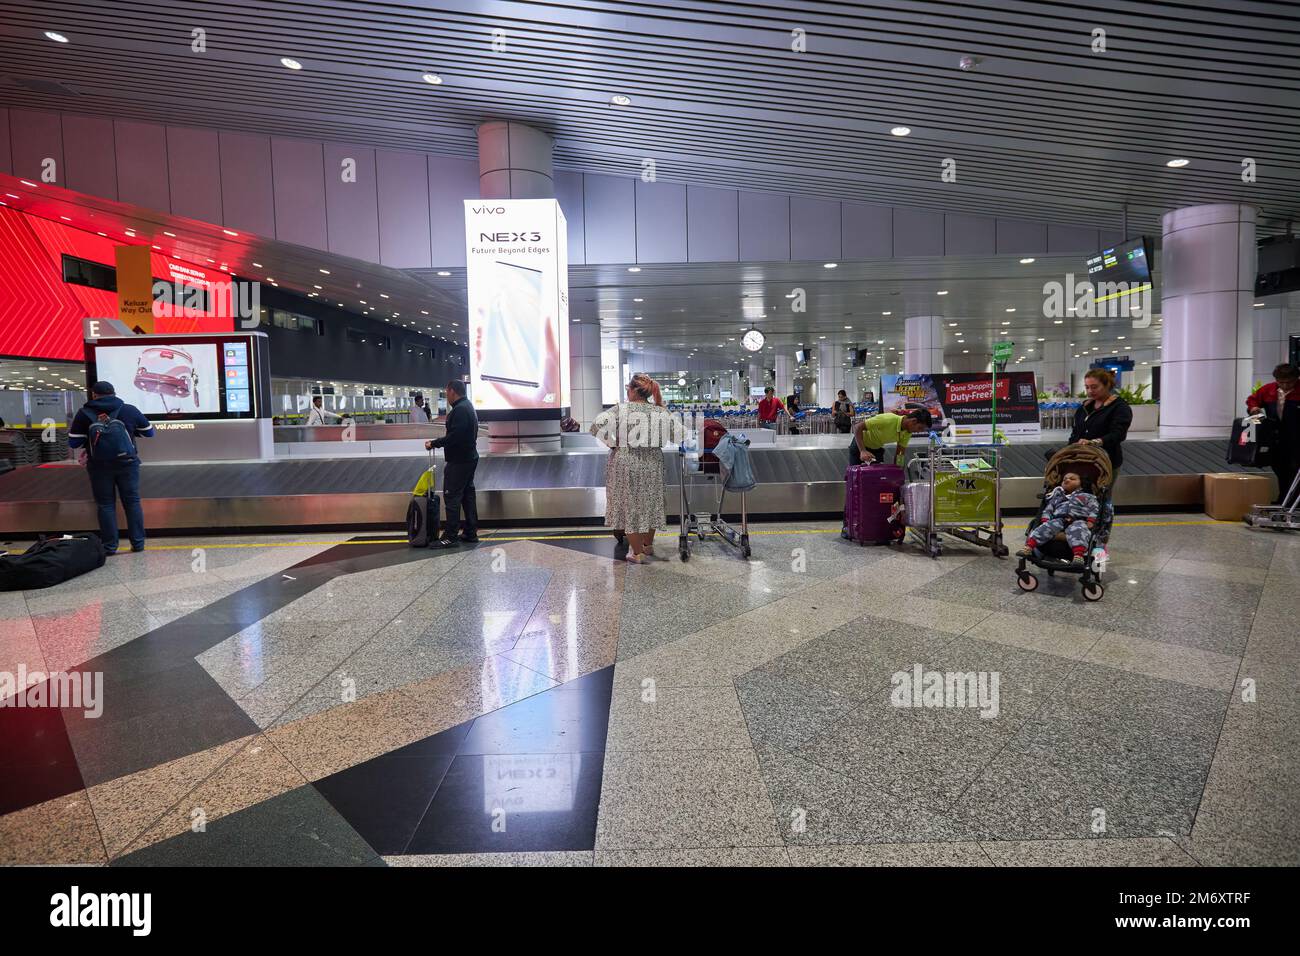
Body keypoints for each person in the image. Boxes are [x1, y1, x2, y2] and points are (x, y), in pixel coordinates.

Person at [590, 372, 684, 563]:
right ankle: (647, 546)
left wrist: (611, 443)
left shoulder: (620, 410)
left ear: (633, 390)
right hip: (652, 462)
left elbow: (595, 426)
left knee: (630, 505)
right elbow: (679, 435)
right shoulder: (660, 412)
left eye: (628, 389)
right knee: (651, 502)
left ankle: (636, 553)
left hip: (625, 461)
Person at [67, 381, 155, 555]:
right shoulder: (128, 409)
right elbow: (149, 432)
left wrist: (91, 440)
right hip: (128, 464)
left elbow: (73, 442)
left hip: (99, 466)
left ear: (94, 395)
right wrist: (130, 432)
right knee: (132, 502)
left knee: (106, 505)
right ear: (114, 393)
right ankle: (138, 544)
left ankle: (110, 546)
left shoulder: (84, 413)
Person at [425, 379, 478, 546]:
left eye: (447, 392)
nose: (446, 395)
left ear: (453, 391)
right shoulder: (467, 406)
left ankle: (450, 537)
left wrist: (434, 443)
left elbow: (455, 436)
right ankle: (470, 532)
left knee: (452, 497)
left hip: (459, 461)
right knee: (467, 497)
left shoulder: (460, 410)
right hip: (469, 458)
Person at [1016, 471, 1100, 567]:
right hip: (1059, 520)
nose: (1067, 480)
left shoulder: (1087, 496)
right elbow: (1048, 510)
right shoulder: (1057, 497)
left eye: (1072, 479)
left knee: (1080, 531)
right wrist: (1045, 520)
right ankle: (1029, 547)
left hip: (1078, 520)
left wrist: (1091, 520)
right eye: (1064, 479)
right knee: (1044, 528)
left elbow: (1095, 508)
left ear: (1082, 483)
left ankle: (1078, 555)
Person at [1245, 362, 1300, 504]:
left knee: (1295, 471)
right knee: (1281, 470)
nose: (1285, 386)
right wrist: (1254, 408)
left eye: (1289, 382)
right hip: (1276, 439)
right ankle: (1285, 501)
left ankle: (1288, 503)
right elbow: (1252, 400)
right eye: (1281, 382)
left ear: (1296, 379)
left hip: (1296, 440)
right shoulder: (1268, 390)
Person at [1068, 368, 1132, 484]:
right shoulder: (1084, 408)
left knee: (1101, 498)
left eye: (1094, 387)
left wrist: (1095, 442)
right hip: (1081, 461)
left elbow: (1118, 434)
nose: (1090, 391)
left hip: (1106, 462)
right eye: (1087, 387)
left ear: (1107, 385)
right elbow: (1075, 432)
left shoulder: (1119, 407)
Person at [850, 407, 932, 467]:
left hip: (876, 450)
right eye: (919, 428)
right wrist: (863, 451)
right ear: (913, 421)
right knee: (855, 477)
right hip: (860, 445)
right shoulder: (888, 419)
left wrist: (899, 471)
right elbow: (857, 427)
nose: (918, 431)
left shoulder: (907, 432)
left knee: (877, 478)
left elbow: (900, 454)